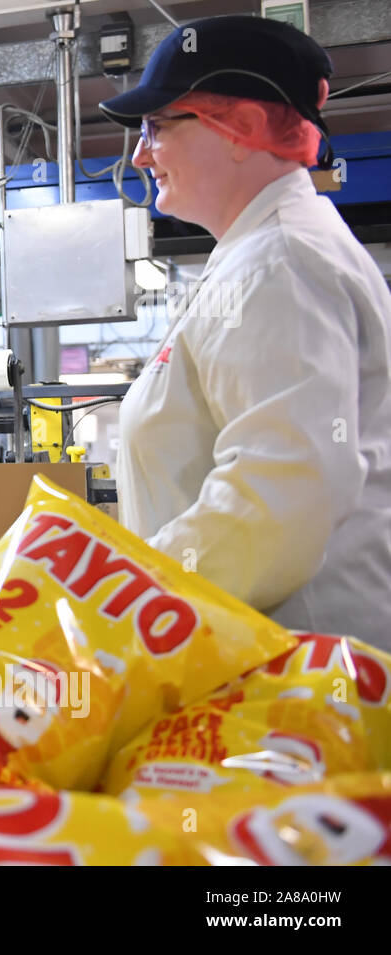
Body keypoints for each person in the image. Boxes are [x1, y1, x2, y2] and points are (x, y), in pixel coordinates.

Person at [100, 15, 391, 647]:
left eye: (157, 126)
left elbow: (279, 493)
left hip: (294, 676)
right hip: (277, 659)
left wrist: (124, 603)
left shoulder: (279, 263)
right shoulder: (266, 252)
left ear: (244, 130)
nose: (140, 154)